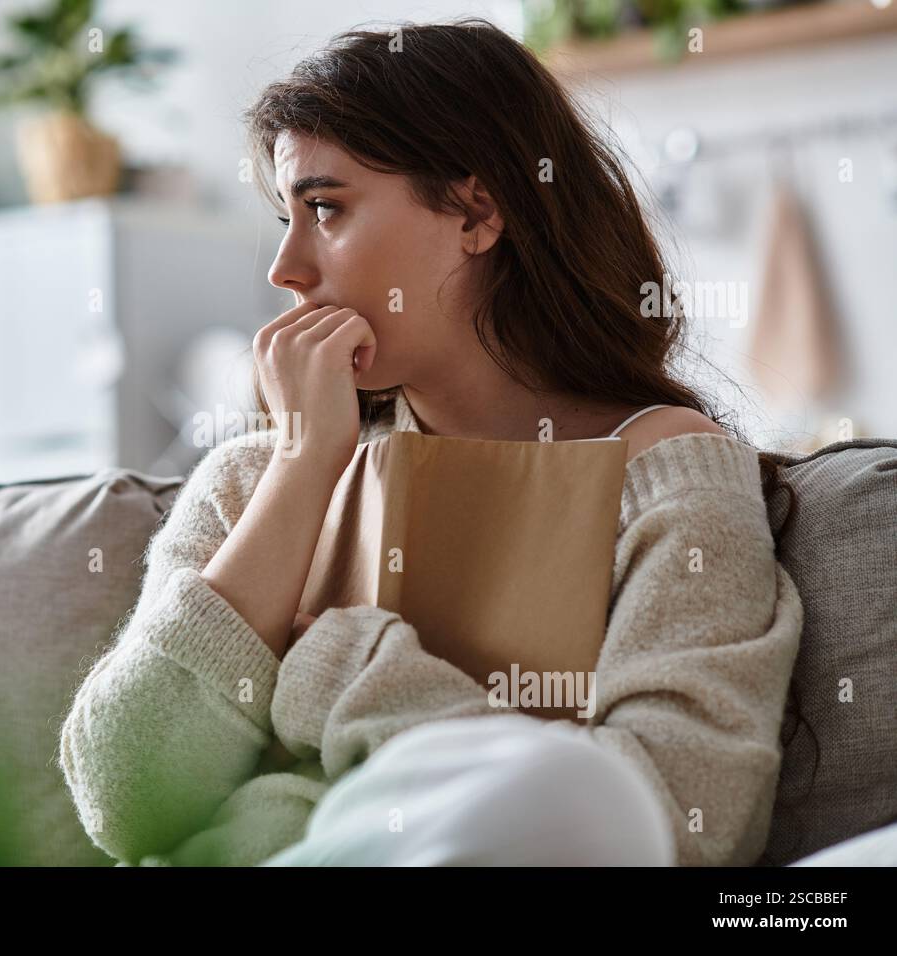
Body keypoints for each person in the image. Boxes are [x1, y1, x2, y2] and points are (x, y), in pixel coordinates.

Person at [56, 18, 803, 867]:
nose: (284, 267)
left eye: (325, 208)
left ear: (476, 212)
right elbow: (124, 800)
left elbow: (674, 818)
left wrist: (335, 663)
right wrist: (302, 467)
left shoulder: (666, 476)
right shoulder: (251, 478)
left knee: (574, 796)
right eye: (284, 216)